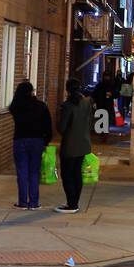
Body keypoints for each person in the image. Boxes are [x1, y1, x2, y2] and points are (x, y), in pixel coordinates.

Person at [8, 81, 52, 210]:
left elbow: (14, 108)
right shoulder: (41, 106)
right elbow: (48, 126)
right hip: (37, 141)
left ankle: (22, 202)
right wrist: (46, 141)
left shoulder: (16, 107)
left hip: (20, 140)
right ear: (32, 91)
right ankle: (34, 202)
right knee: (34, 172)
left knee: (22, 172)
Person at [56, 78, 93, 213]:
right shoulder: (87, 103)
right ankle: (75, 202)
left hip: (70, 146)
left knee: (67, 174)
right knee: (77, 173)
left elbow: (62, 127)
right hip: (83, 143)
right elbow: (90, 122)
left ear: (67, 89)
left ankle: (71, 204)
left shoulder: (67, 105)